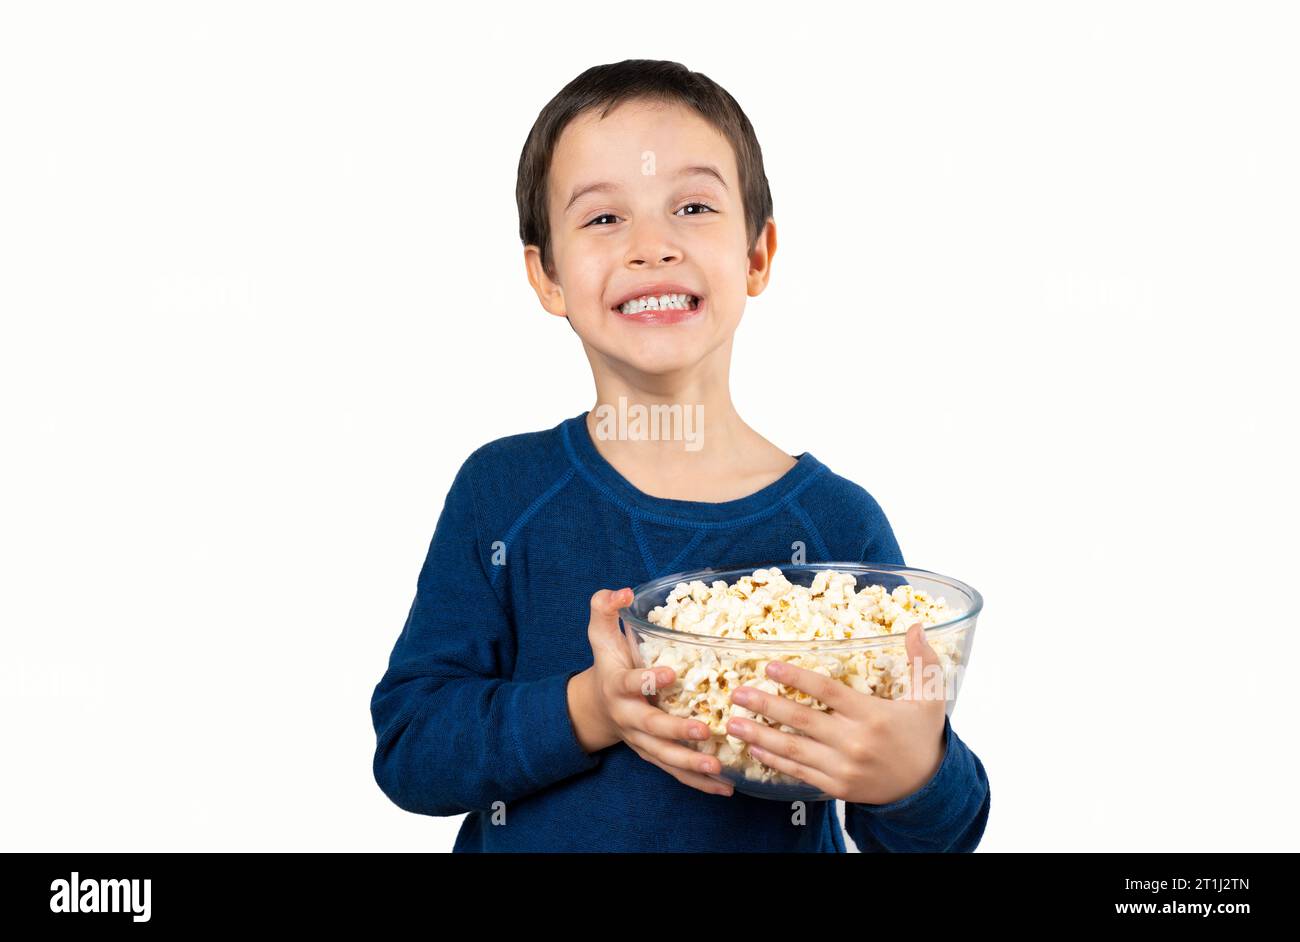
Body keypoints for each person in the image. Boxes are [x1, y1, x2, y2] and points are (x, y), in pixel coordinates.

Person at [370, 59, 990, 852]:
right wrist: (589, 709)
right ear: (546, 275)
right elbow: (411, 749)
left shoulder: (839, 528)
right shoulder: (503, 492)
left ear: (758, 255)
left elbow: (937, 826)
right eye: (602, 219)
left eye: (692, 207)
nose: (652, 246)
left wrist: (915, 775)